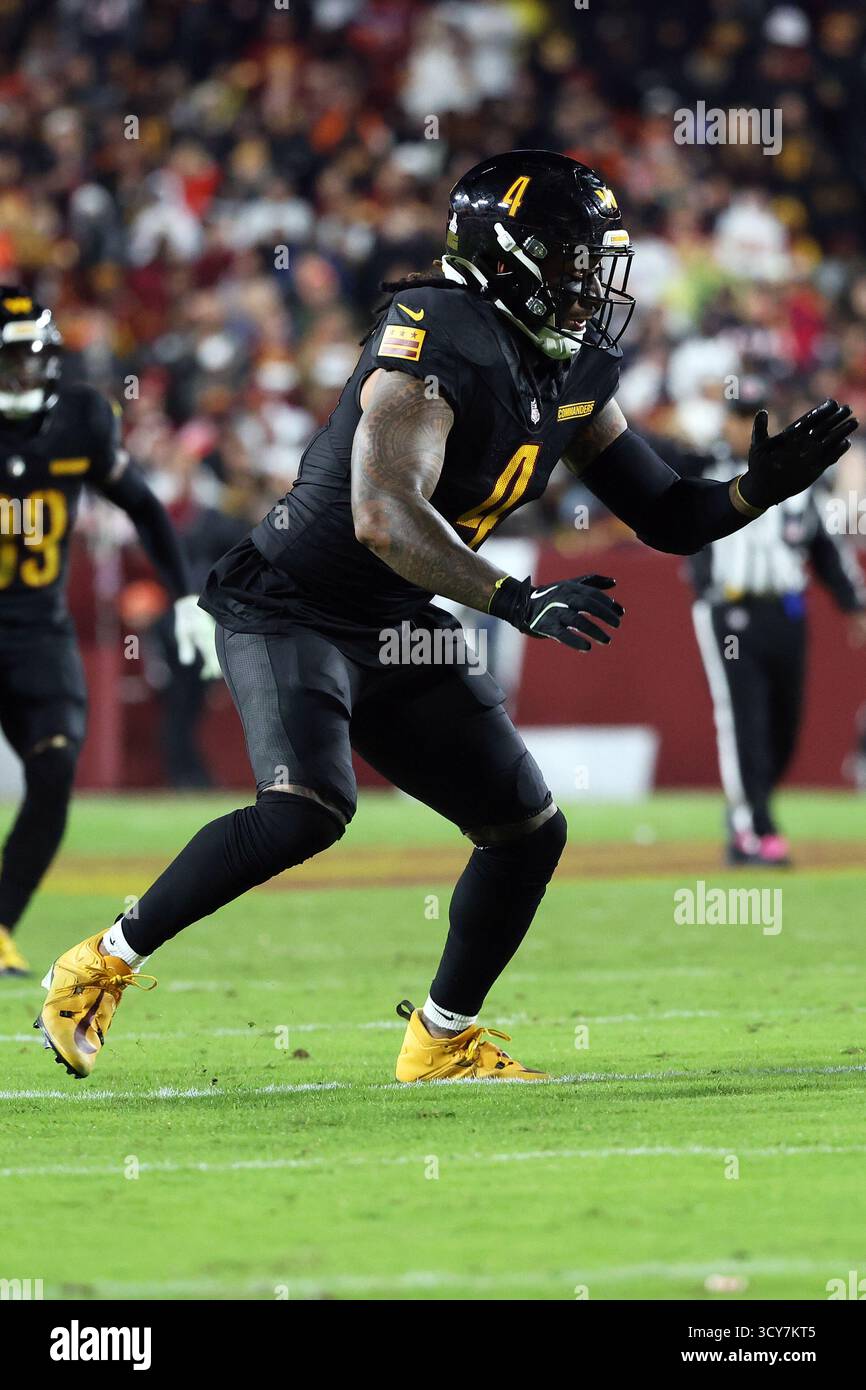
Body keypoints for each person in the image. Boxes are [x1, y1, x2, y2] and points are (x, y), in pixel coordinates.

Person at [35, 151, 857, 1081]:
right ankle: (98, 963)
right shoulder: (437, 328)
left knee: (526, 829)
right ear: (513, 257)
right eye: (580, 260)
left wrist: (757, 489)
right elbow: (382, 514)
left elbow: (670, 516)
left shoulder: (568, 368)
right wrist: (517, 599)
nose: (596, 284)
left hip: (394, 615)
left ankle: (441, 1037)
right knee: (307, 809)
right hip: (292, 604)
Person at [0, 289, 217, 976]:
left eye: (34, 360)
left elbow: (147, 508)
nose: (25, 376)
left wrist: (186, 598)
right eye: (11, 362)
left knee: (56, 765)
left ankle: (0, 924)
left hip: (37, 628)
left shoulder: (79, 417)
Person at [683, 379, 866, 864]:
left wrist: (854, 604)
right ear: (727, 422)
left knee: (786, 723)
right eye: (740, 414)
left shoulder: (800, 489)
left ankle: (750, 810)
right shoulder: (707, 473)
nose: (747, 424)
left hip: (786, 611)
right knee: (744, 721)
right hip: (731, 610)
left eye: (756, 414)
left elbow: (826, 551)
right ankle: (753, 828)